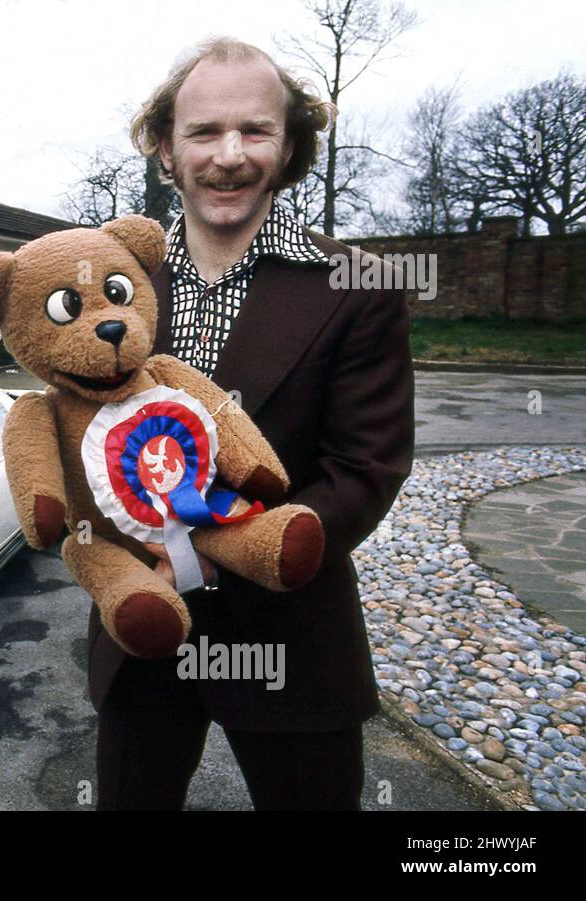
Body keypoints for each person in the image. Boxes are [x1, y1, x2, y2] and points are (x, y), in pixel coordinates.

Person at [88, 36, 416, 810]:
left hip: (291, 640)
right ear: (166, 147)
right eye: (203, 132)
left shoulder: (360, 288)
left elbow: (363, 473)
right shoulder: (113, 286)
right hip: (145, 632)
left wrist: (202, 551)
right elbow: (80, 441)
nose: (228, 155)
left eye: (255, 131)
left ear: (291, 143)